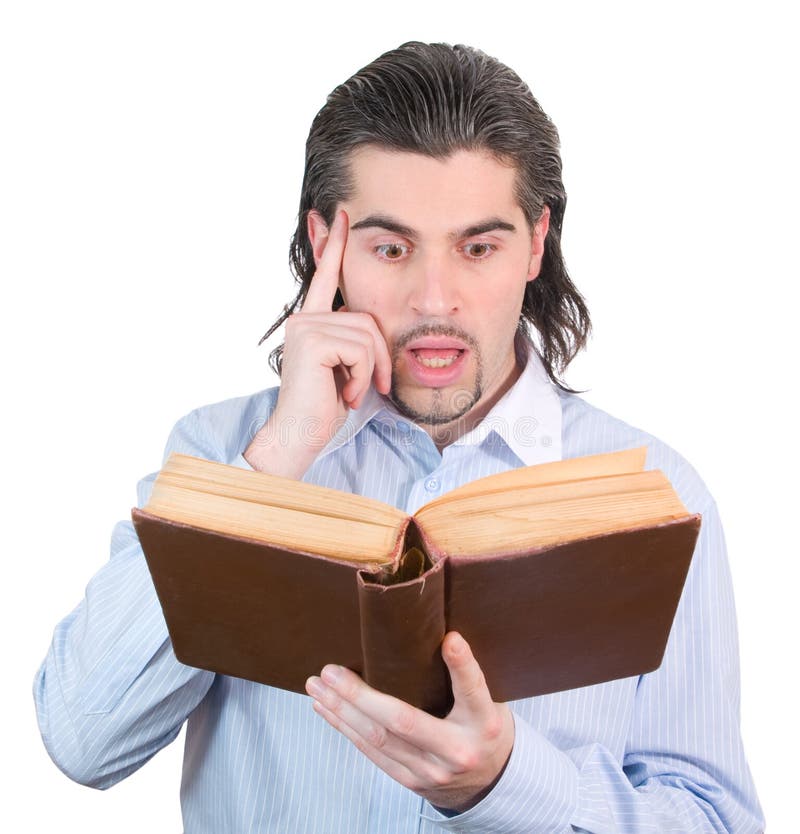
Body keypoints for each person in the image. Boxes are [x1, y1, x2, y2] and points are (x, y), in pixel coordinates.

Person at [34, 41, 764, 832]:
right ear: (326, 246)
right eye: (390, 248)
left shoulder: (655, 492)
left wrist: (508, 783)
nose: (434, 298)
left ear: (535, 243)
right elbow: (83, 741)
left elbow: (715, 819)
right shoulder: (224, 452)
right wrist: (275, 463)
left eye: (477, 247)